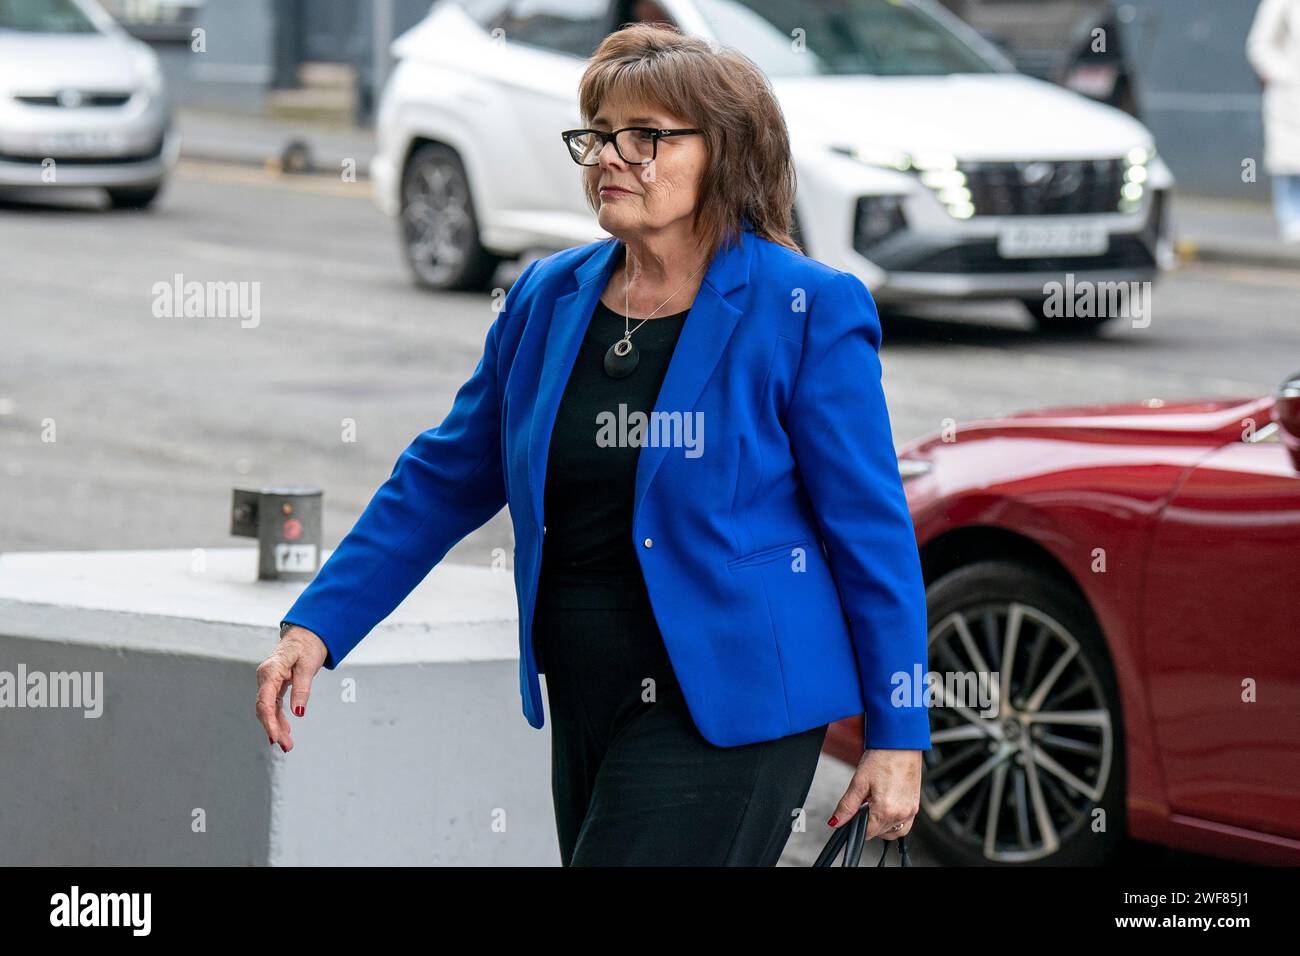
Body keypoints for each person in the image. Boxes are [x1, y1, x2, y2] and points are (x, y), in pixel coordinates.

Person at [257, 22, 930, 866]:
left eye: (645, 137)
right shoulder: (548, 294)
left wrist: (898, 734)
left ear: (722, 153)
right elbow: (447, 475)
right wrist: (317, 625)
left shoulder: (805, 307)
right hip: (583, 695)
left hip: (734, 700)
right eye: (600, 136)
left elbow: (871, 532)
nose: (610, 157)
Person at [1248, 0, 1300, 242]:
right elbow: (1259, 45)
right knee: (1288, 161)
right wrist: (1286, 75)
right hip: (1290, 95)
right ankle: (1291, 217)